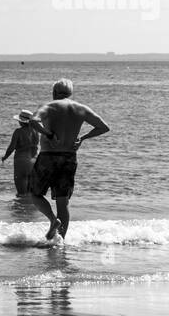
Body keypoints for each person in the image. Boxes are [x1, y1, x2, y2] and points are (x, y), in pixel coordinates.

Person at [28, 79, 109, 241]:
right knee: (62, 202)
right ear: (70, 93)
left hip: (48, 156)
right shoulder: (81, 108)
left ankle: (53, 220)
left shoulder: (49, 107)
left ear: (54, 93)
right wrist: (83, 138)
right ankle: (60, 242)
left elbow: (33, 121)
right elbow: (103, 127)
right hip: (69, 158)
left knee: (34, 193)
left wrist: (49, 134)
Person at [2, 110, 44, 195]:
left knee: (21, 193)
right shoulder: (36, 131)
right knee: (31, 193)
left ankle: (21, 207)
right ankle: (29, 207)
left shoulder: (18, 131)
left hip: (22, 162)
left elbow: (11, 147)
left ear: (21, 121)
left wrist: (5, 157)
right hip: (35, 161)